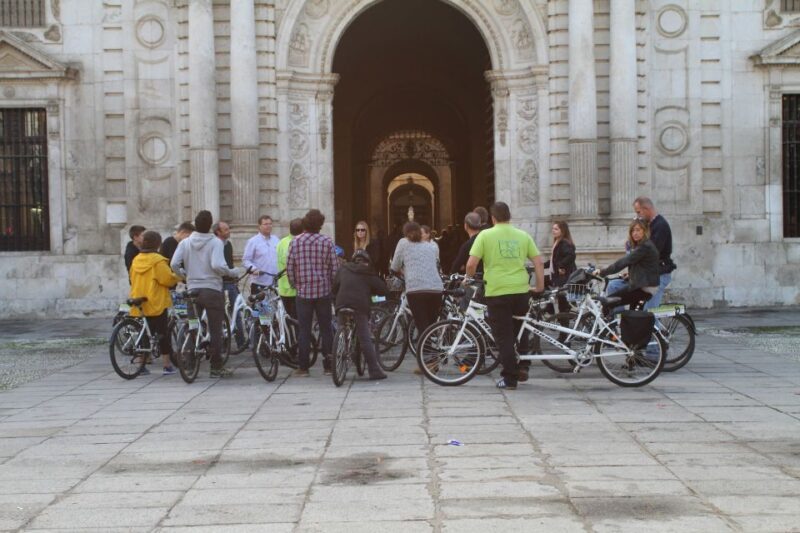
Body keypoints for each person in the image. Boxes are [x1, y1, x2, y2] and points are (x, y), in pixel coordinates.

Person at [466, 201, 544, 390]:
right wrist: (539, 286)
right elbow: (538, 261)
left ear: (492, 218)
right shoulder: (523, 235)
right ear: (509, 216)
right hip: (520, 290)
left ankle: (510, 378)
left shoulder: (485, 235)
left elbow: (471, 264)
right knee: (518, 331)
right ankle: (522, 365)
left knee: (504, 337)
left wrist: (468, 279)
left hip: (497, 291)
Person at [171, 210, 241, 378]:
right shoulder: (215, 243)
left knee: (193, 325)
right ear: (210, 225)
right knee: (215, 329)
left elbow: (174, 263)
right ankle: (216, 367)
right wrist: (231, 272)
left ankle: (189, 363)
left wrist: (184, 274)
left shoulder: (185, 243)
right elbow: (217, 265)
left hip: (192, 289)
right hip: (211, 289)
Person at [287, 209, 338, 377]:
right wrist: (330, 285)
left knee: (304, 330)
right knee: (326, 328)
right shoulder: (327, 242)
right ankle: (329, 366)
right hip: (323, 291)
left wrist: (295, 284)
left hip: (303, 293)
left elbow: (290, 268)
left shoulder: (295, 242)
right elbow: (334, 268)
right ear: (321, 225)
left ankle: (303, 367)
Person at [129, 231, 181, 375]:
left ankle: (142, 364)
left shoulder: (136, 259)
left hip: (139, 299)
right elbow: (167, 279)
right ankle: (167, 365)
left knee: (143, 332)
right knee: (162, 333)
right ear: (158, 244)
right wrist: (178, 276)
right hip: (155, 301)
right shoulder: (157, 260)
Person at [332, 250, 388, 381]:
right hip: (360, 306)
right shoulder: (368, 273)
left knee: (342, 330)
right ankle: (374, 370)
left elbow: (334, 288)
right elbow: (384, 291)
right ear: (367, 262)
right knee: (365, 338)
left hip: (342, 303)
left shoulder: (343, 269)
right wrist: (373, 296)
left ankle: (341, 350)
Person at [390, 221, 443, 339]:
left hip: (416, 289)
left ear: (405, 233)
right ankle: (434, 354)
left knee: (423, 327)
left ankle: (427, 356)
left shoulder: (403, 243)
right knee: (431, 326)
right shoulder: (430, 246)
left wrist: (404, 272)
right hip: (436, 289)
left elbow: (394, 266)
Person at [596, 219, 660, 313]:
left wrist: (602, 272)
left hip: (643, 287)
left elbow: (623, 262)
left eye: (638, 230)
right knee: (632, 318)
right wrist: (630, 275)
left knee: (608, 301)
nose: (635, 233)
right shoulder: (643, 246)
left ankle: (609, 326)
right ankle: (620, 326)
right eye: (633, 230)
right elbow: (644, 266)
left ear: (644, 231)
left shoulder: (644, 247)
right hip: (642, 285)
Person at [633, 196, 676, 309]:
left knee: (650, 313)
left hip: (658, 275)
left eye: (639, 212)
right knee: (615, 287)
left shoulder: (660, 226)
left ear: (646, 209)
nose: (637, 216)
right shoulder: (648, 225)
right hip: (647, 275)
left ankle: (652, 326)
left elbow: (652, 253)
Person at [242, 215, 280, 295]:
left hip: (275, 283)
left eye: (270, 224)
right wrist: (255, 270)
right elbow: (246, 260)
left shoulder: (276, 240)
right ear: (259, 226)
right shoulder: (253, 241)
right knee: (259, 307)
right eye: (265, 224)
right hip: (259, 283)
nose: (268, 226)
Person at [277, 218, 303, 319]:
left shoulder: (281, 242)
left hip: (282, 288)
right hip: (294, 289)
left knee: (286, 321)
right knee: (296, 321)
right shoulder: (297, 243)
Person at [544, 221, 576, 288]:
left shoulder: (564, 243)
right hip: (557, 275)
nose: (553, 231)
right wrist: (542, 265)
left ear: (563, 231)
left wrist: (561, 266)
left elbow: (571, 255)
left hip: (563, 276)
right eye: (553, 229)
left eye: (556, 229)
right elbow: (555, 260)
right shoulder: (557, 242)